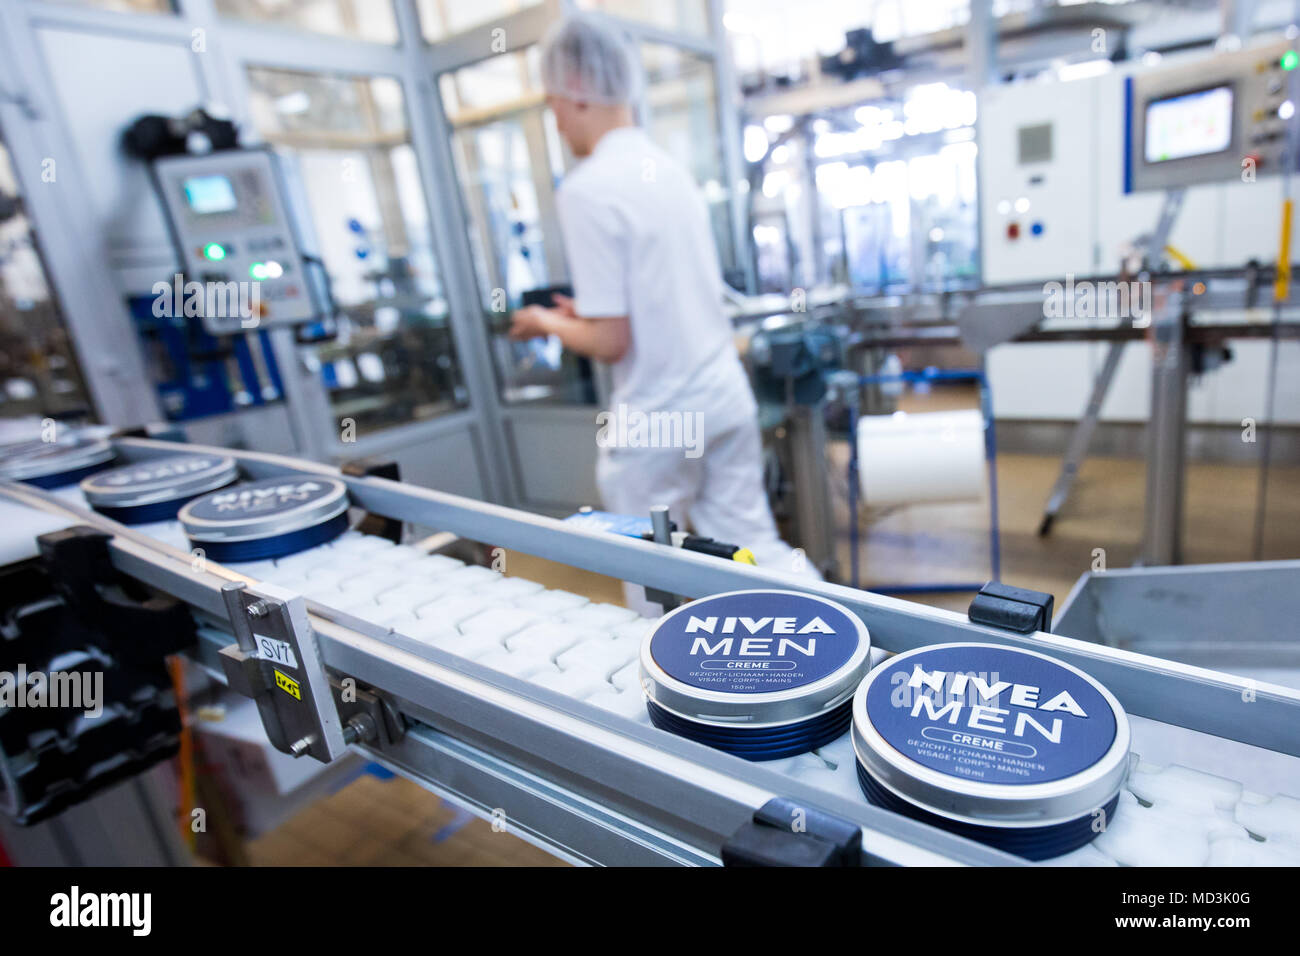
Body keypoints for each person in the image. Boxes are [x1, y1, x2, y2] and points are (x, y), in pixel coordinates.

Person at [509, 14, 816, 611]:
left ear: (574, 90)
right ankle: (834, 654)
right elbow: (649, 298)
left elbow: (610, 341)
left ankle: (661, 693)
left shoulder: (587, 187)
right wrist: (588, 312)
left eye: (552, 105)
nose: (556, 121)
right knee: (756, 547)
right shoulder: (671, 173)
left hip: (660, 420)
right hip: (722, 398)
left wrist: (546, 322)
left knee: (651, 574)